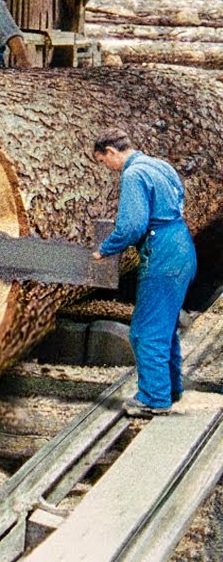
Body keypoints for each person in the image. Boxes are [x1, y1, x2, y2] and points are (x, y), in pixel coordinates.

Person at [91, 128, 197, 418]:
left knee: (145, 331)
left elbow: (131, 226)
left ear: (111, 152)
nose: (108, 168)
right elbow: (179, 199)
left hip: (162, 253)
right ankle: (170, 389)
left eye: (103, 161)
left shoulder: (133, 174)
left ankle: (153, 399)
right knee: (164, 327)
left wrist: (104, 249)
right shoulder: (159, 165)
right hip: (181, 245)